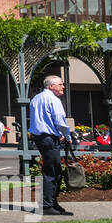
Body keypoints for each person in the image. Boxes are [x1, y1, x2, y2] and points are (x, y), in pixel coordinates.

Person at [29, 74, 73, 215]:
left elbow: (39, 122)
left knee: (53, 170)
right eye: (60, 84)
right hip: (49, 139)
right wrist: (67, 136)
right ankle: (47, 205)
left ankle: (52, 203)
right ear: (51, 86)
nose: (63, 87)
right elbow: (60, 121)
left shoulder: (35, 99)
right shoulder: (53, 100)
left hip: (40, 138)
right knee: (52, 172)